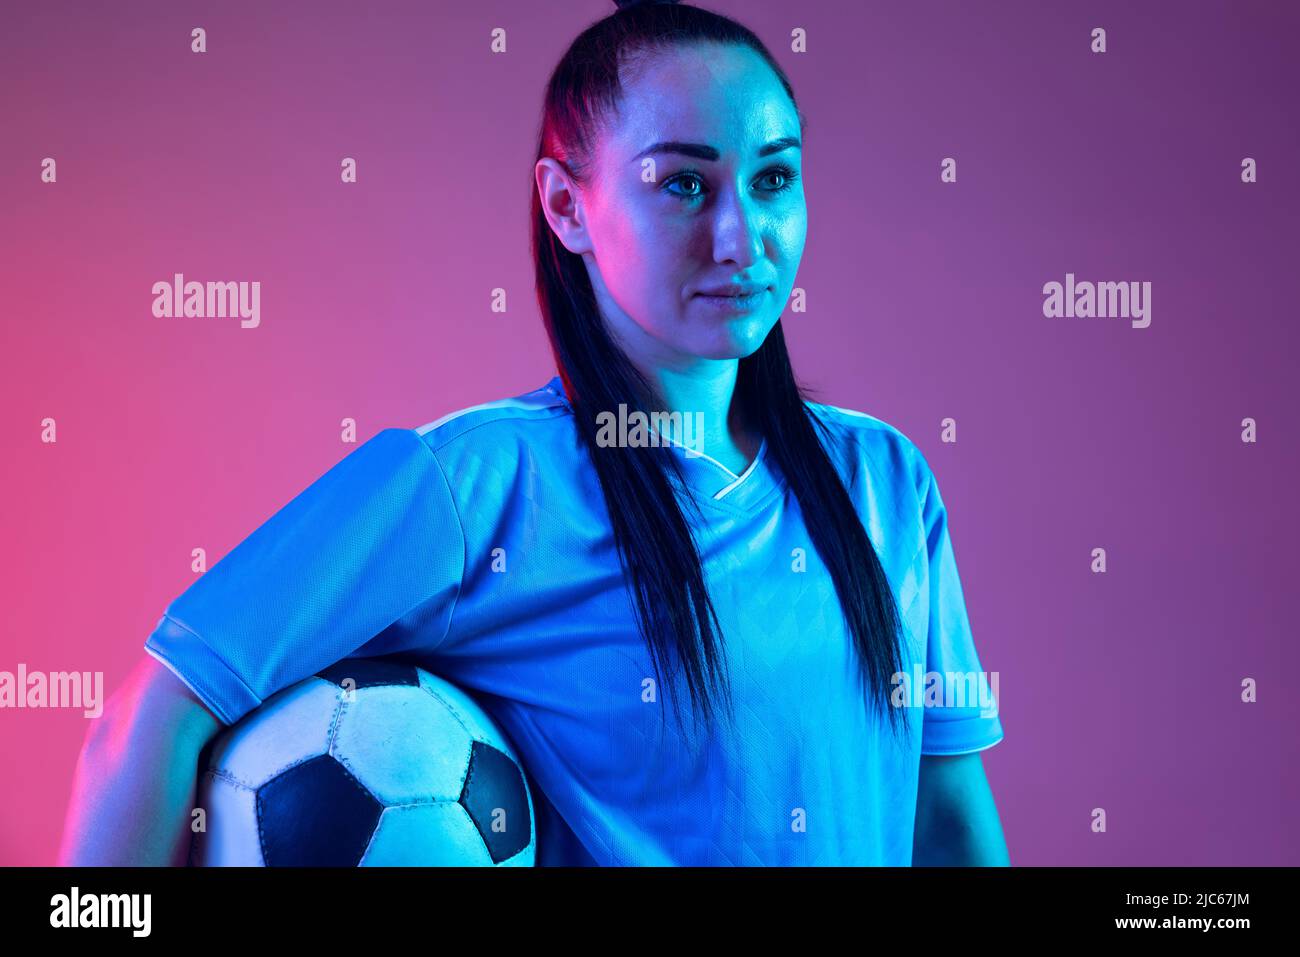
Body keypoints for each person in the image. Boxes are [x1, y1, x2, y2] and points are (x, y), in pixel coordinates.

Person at [59, 0, 1008, 866]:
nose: (741, 235)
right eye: (683, 184)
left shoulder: (884, 478)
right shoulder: (476, 485)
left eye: (773, 179)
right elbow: (158, 708)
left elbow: (949, 811)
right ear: (567, 206)